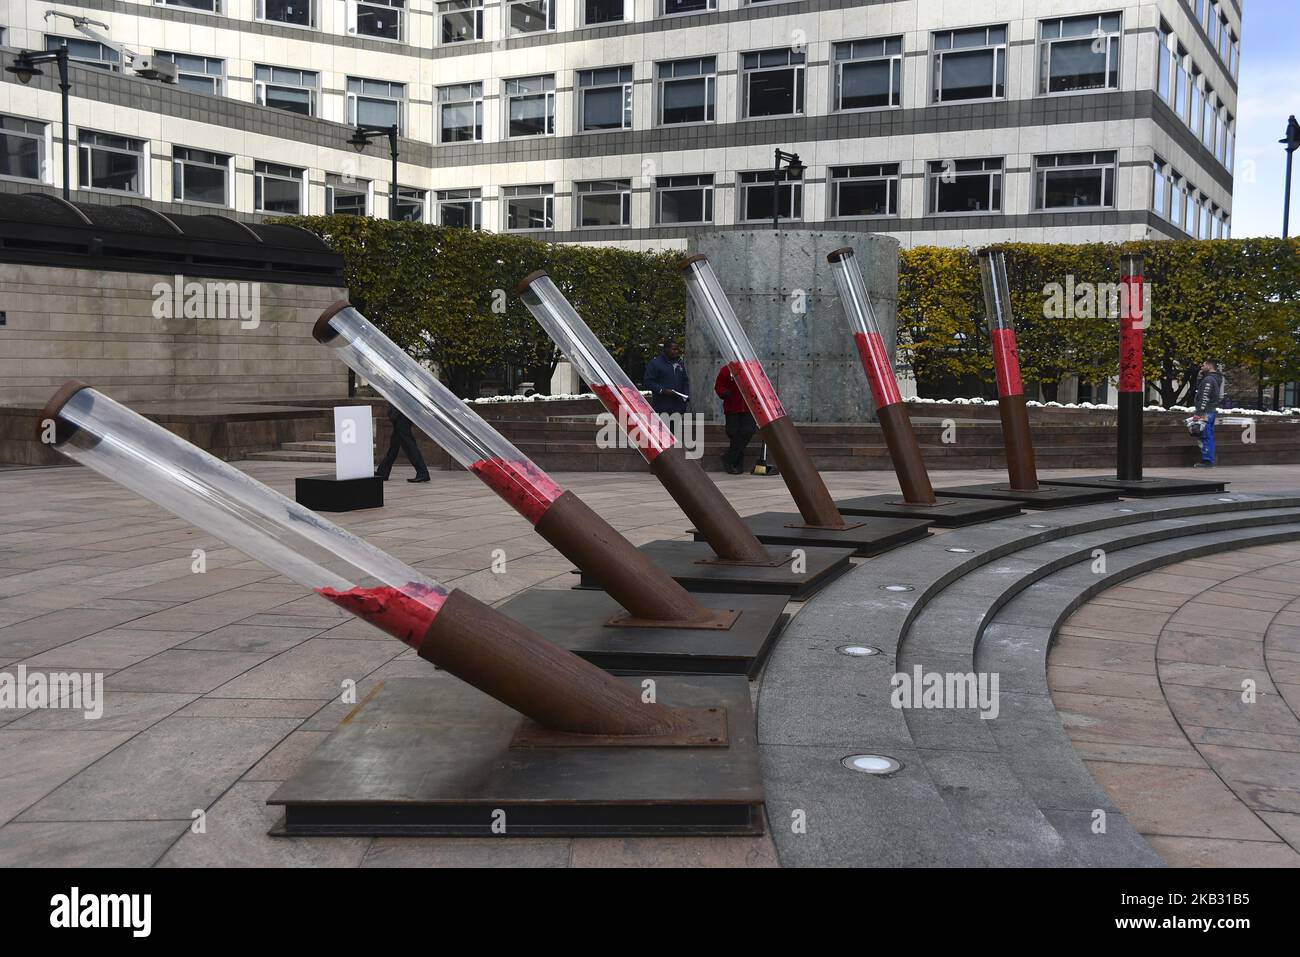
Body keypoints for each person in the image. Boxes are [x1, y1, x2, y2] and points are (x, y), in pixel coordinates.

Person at [714, 365, 755, 474]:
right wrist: (724, 392)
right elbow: (718, 386)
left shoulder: (751, 368)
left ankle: (728, 458)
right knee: (733, 433)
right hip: (732, 407)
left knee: (749, 430)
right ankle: (737, 464)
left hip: (749, 407)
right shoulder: (726, 369)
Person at [375, 403, 431, 483]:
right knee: (395, 444)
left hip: (403, 412)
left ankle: (422, 472)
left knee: (408, 444)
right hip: (402, 411)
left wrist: (395, 413)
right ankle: (383, 471)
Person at [644, 338, 690, 415]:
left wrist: (685, 394)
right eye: (674, 349)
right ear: (666, 349)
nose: (676, 352)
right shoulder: (655, 363)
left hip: (678, 407)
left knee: (676, 427)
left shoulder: (679, 363)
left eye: (677, 349)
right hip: (662, 407)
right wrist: (662, 390)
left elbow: (685, 380)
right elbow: (648, 381)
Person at [1192, 359, 1224, 469]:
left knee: (1206, 436)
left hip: (1206, 412)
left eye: (1204, 364)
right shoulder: (1214, 378)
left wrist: (1199, 413)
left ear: (1209, 366)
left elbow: (1204, 396)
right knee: (1208, 435)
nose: (1202, 366)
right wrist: (1200, 378)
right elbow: (1202, 391)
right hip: (1210, 410)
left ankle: (1208, 461)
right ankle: (1208, 459)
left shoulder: (1209, 380)